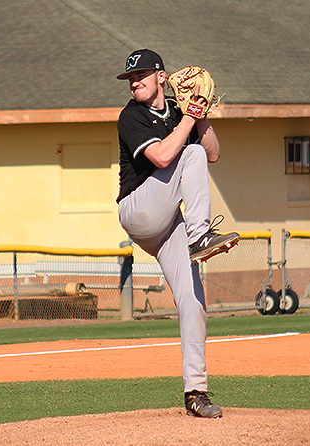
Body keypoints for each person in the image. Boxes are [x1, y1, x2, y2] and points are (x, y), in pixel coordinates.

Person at [115, 49, 239, 418]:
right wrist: (188, 118)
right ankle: (200, 235)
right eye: (131, 78)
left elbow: (214, 152)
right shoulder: (131, 115)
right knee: (189, 156)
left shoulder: (178, 110)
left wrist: (201, 116)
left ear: (161, 77)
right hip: (138, 209)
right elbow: (165, 158)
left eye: (141, 75)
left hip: (167, 225)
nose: (135, 81)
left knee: (193, 299)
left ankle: (195, 392)